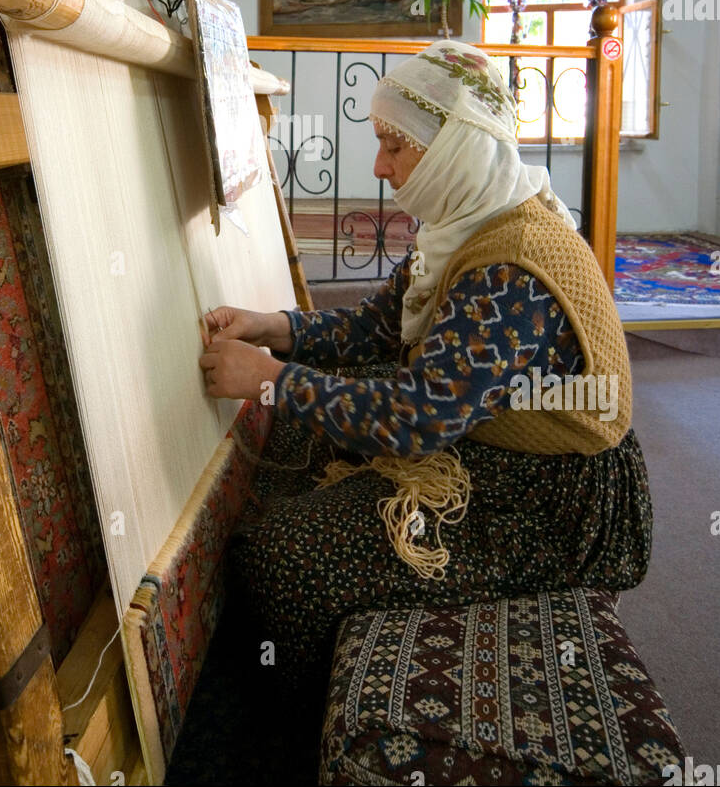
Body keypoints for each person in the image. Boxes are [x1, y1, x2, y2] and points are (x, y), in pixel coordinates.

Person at [199, 41, 652, 694]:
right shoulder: (466, 224)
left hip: (555, 500)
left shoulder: (509, 265)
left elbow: (421, 418)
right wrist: (274, 328)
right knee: (312, 428)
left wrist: (271, 378)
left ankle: (284, 724)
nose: (379, 166)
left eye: (395, 145)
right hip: (497, 440)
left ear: (452, 149)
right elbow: (377, 329)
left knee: (285, 556)